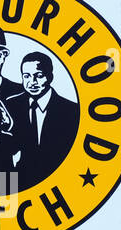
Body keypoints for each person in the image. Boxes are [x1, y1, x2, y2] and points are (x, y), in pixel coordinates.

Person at [5, 50, 79, 189]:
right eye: (26, 76)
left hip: (58, 184)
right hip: (18, 185)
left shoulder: (71, 111)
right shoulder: (10, 106)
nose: (32, 82)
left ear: (50, 77)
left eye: (38, 76)